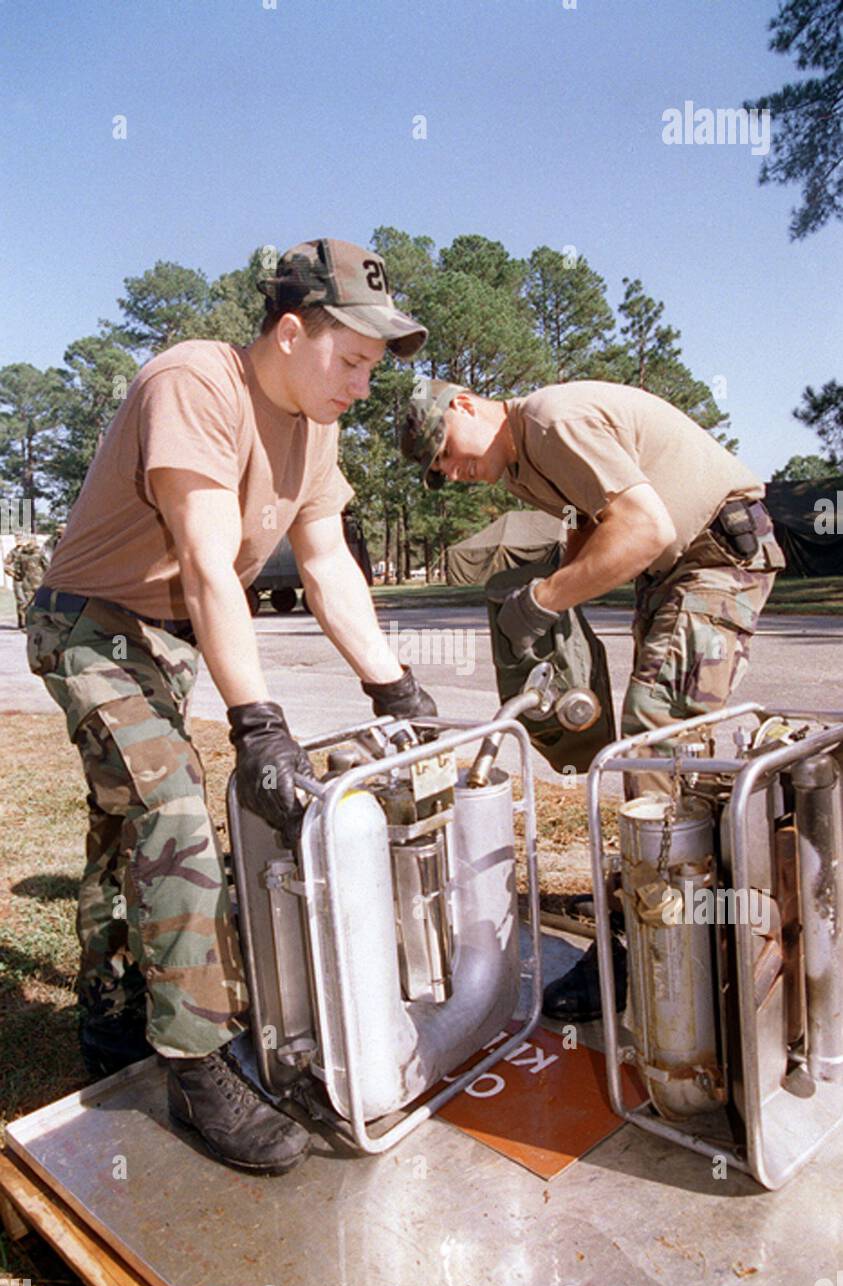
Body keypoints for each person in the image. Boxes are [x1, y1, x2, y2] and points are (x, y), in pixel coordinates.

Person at [26, 238, 435, 1176]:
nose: (363, 388)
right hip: (89, 624)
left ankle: (112, 1012)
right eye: (353, 361)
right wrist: (258, 723)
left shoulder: (316, 421)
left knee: (122, 816)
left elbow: (328, 564)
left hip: (163, 635)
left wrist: (394, 687)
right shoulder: (193, 383)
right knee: (173, 810)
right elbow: (211, 563)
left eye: (373, 369)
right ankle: (195, 1058)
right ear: (289, 333)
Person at [400, 376, 785, 1023]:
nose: (451, 468)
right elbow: (590, 525)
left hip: (713, 555)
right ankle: (687, 917)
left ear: (465, 403)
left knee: (654, 740)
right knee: (662, 755)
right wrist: (550, 609)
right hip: (675, 569)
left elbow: (642, 527)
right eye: (439, 468)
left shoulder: (551, 421)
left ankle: (655, 948)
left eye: (443, 446)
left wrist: (543, 599)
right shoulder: (522, 459)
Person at [4, 531, 48, 627]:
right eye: (17, 537)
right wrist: (12, 573)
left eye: (20, 537)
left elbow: (47, 566)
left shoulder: (37, 553)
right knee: (23, 602)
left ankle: (33, 622)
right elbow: (7, 564)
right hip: (25, 581)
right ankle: (24, 622)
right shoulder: (15, 552)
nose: (18, 539)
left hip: (34, 581)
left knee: (34, 602)